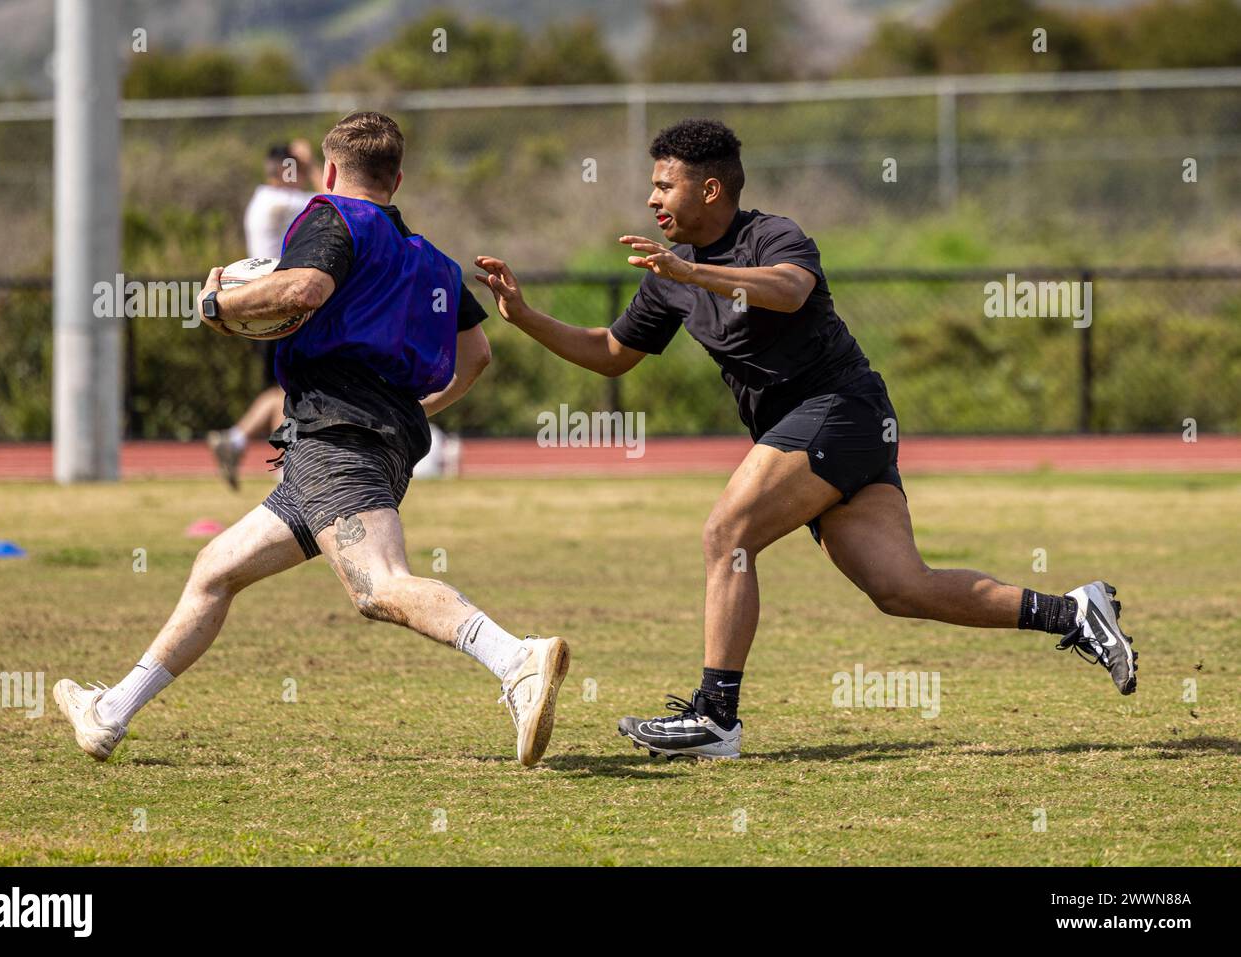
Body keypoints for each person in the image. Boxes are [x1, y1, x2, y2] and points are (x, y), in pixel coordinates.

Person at [474, 118, 1135, 761]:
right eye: (652, 186)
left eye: (664, 185)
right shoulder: (667, 274)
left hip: (838, 409)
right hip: (821, 431)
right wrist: (525, 315)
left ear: (710, 190)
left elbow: (789, 292)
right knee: (901, 586)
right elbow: (612, 351)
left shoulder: (770, 236)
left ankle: (714, 716)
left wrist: (691, 275)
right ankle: (1073, 612)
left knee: (726, 533)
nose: (651, 198)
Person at [56, 112, 570, 767]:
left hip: (336, 433)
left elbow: (304, 286)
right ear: (398, 179)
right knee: (215, 570)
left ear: (328, 173)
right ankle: (109, 712)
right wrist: (414, 407)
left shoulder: (330, 217)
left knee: (379, 585)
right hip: (357, 441)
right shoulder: (433, 262)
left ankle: (517, 658)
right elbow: (478, 356)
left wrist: (218, 305)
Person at [207, 142, 318, 490]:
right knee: (290, 390)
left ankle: (238, 441)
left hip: (268, 308)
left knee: (283, 389)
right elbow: (341, 200)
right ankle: (285, 465)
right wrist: (313, 163)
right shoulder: (278, 201)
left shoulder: (267, 201)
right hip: (278, 306)